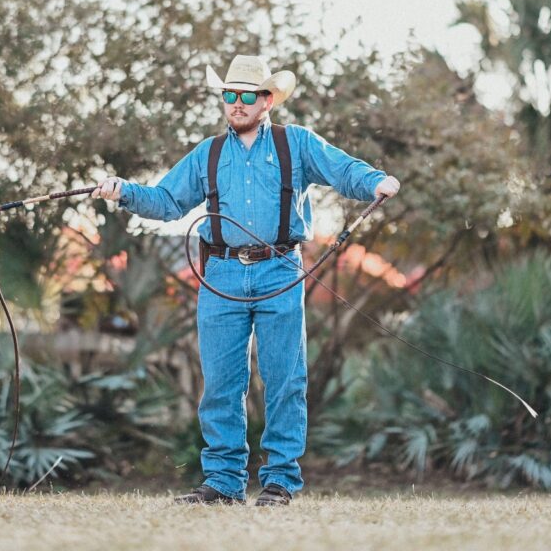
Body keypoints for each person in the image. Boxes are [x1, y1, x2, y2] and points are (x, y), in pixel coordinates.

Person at [92, 55, 400, 506]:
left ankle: (279, 481)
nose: (235, 104)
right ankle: (222, 482)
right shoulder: (208, 154)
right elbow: (165, 201)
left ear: (267, 100)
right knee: (220, 383)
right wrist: (124, 193)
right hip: (220, 275)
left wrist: (377, 181)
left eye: (245, 96)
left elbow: (344, 170)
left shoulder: (297, 144)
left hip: (280, 270)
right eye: (228, 95)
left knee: (285, 380)